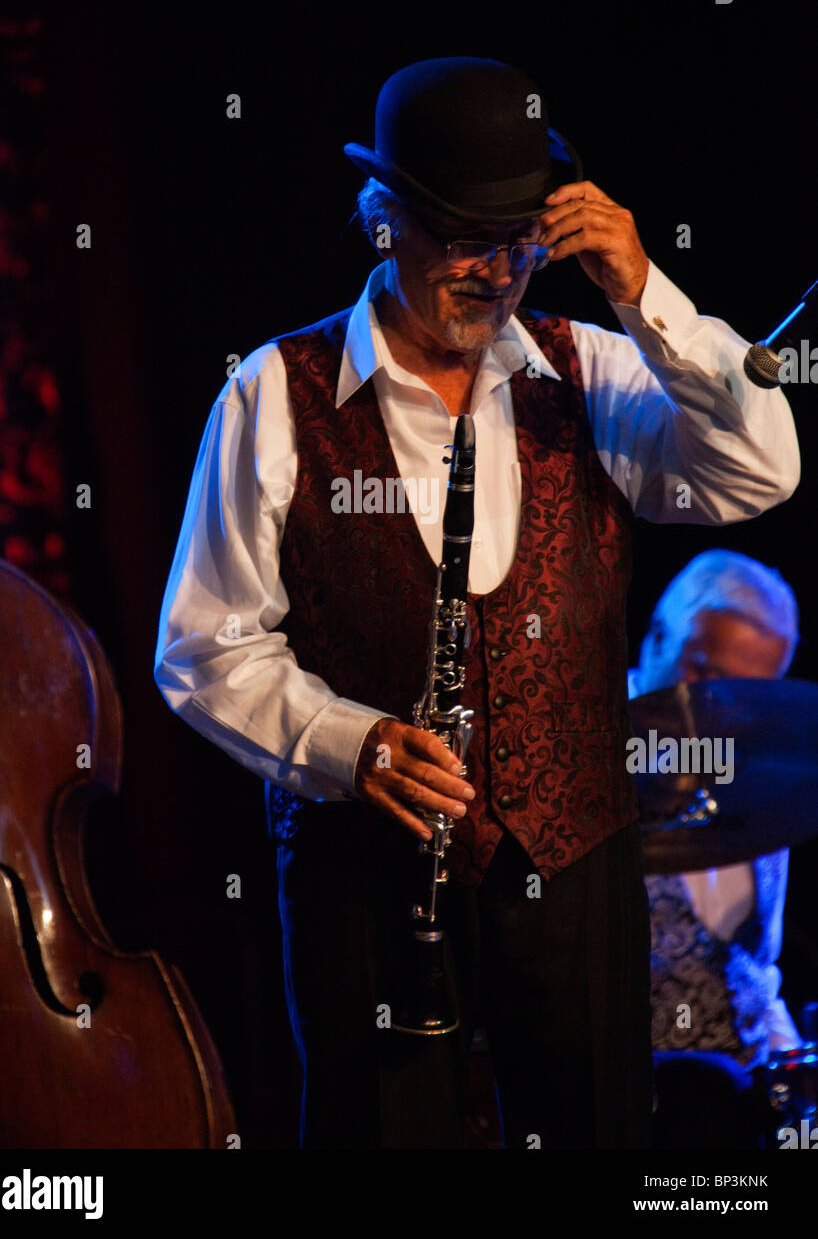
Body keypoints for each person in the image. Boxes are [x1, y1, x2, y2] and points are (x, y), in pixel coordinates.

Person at [154, 56, 800, 1149]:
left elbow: (755, 470)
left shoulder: (588, 369)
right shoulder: (272, 391)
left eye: (519, 242)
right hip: (367, 880)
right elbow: (205, 646)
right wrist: (343, 741)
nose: (496, 271)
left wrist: (645, 294)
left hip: (574, 857)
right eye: (462, 236)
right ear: (382, 221)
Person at [629, 549, 804, 1148]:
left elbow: (756, 969)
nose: (718, 706)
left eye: (749, 693)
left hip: (744, 1116)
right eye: (702, 672)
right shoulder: (569, 763)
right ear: (656, 638)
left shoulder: (772, 780)